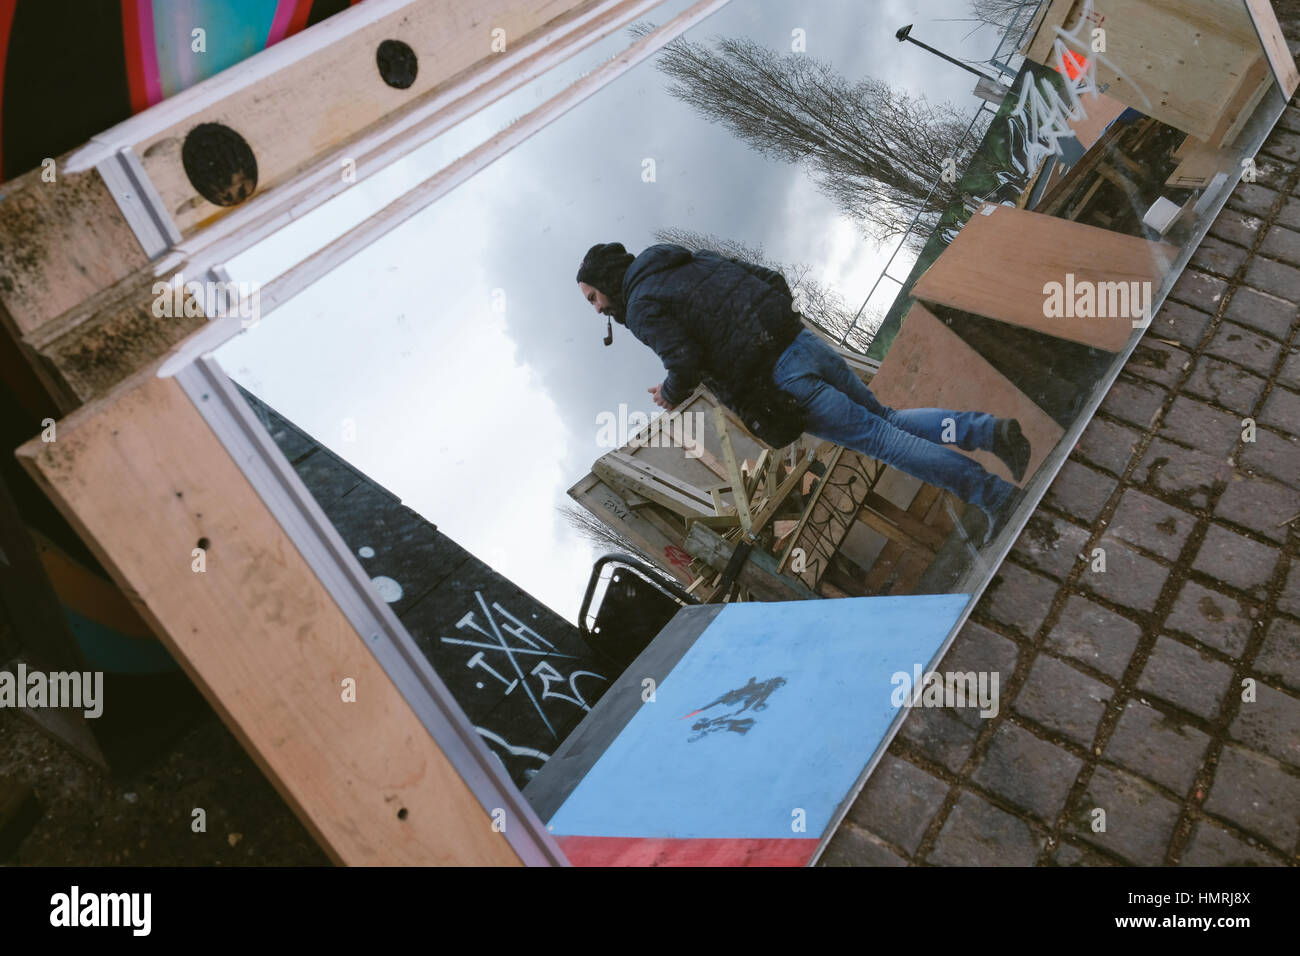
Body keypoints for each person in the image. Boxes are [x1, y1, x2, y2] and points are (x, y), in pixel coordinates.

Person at [575, 241, 1031, 542]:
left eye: (593, 297)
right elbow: (771, 279)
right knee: (886, 420)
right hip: (806, 345)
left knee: (881, 440)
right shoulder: (692, 259)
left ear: (608, 282)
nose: (596, 309)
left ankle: (993, 495)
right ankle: (989, 432)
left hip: (781, 381)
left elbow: (684, 361)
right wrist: (774, 328)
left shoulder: (642, 306)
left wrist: (671, 392)